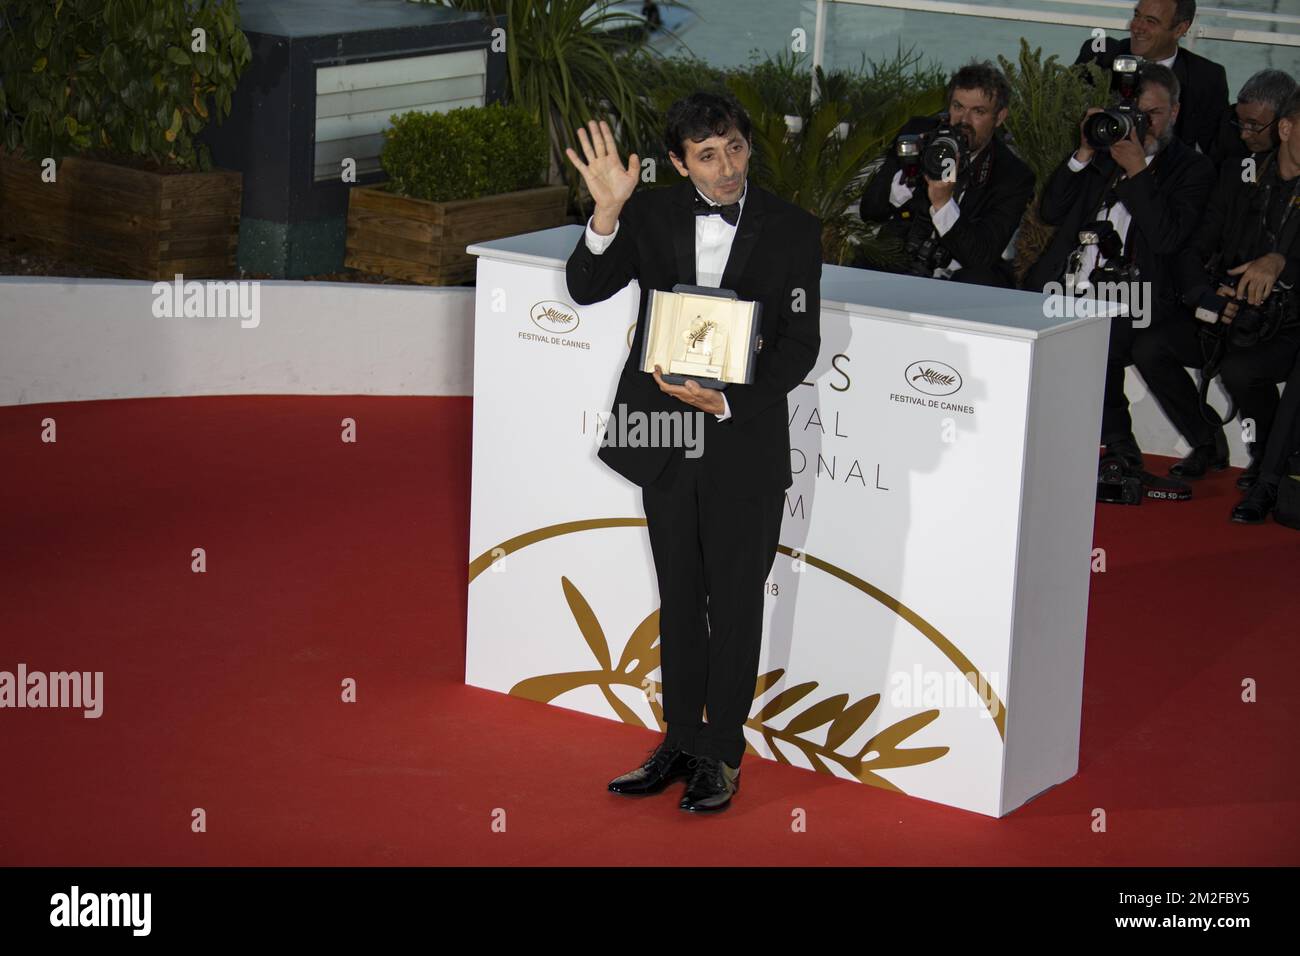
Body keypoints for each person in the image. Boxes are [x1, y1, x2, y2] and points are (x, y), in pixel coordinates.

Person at [563, 93, 823, 813]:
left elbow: (802, 342)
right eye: (707, 155)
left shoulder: (795, 228)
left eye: (735, 147)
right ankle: (679, 739)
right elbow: (585, 288)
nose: (727, 167)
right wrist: (608, 213)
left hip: (743, 434)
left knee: (736, 599)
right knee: (679, 593)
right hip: (664, 433)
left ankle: (722, 753)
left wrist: (732, 401)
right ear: (678, 163)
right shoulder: (648, 214)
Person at [1025, 63, 1214, 472]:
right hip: (1073, 284)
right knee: (1035, 320)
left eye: (1154, 114)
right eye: (1135, 111)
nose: (1142, 123)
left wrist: (1137, 170)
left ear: (1175, 114)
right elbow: (1051, 209)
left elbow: (1167, 238)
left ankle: (1120, 444)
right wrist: (1084, 151)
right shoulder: (1105, 148)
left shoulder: (1191, 169)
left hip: (1142, 294)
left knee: (1099, 336)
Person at [1139, 89, 1300, 500]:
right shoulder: (1238, 172)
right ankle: (1205, 441)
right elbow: (1194, 246)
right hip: (1227, 310)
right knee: (1150, 345)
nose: (1245, 133)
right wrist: (1206, 296)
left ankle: (1269, 458)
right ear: (1286, 129)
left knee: (1242, 370)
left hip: (1288, 324)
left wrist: (1280, 263)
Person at [859, 60, 1034, 288]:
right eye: (958, 107)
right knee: (863, 265)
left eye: (978, 112)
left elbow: (981, 256)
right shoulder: (918, 133)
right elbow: (870, 211)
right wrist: (907, 178)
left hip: (960, 272)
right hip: (902, 252)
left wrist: (943, 203)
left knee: (980, 281)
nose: (964, 121)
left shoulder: (1012, 175)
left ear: (999, 117)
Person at [1074, 0, 1228, 157]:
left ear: (1180, 29)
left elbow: (1216, 152)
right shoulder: (1101, 57)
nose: (1137, 27)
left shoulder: (1206, 77)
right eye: (1137, 16)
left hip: (1164, 178)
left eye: (1151, 21)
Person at [1208, 69, 1297, 170]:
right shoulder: (1229, 123)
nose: (1243, 135)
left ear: (1284, 124)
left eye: (1254, 125)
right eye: (1240, 121)